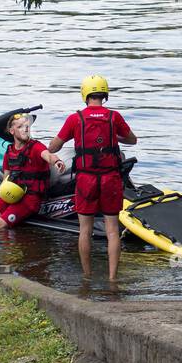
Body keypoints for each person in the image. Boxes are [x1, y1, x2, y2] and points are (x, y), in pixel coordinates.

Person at [47, 76, 137, 281]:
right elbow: (132, 140)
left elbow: (54, 146)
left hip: (86, 180)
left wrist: (45, 151)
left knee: (85, 231)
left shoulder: (75, 119)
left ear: (85, 95)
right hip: (110, 179)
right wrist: (115, 137)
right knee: (113, 231)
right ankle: (113, 277)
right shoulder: (115, 117)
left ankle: (87, 276)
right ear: (105, 95)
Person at [0, 113, 65, 231]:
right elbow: (6, 178)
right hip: (12, 194)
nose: (25, 130)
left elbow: (48, 155)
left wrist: (57, 161)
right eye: (20, 127)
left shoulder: (36, 146)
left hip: (31, 198)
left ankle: (3, 249)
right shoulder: (9, 152)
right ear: (12, 131)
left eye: (27, 127)